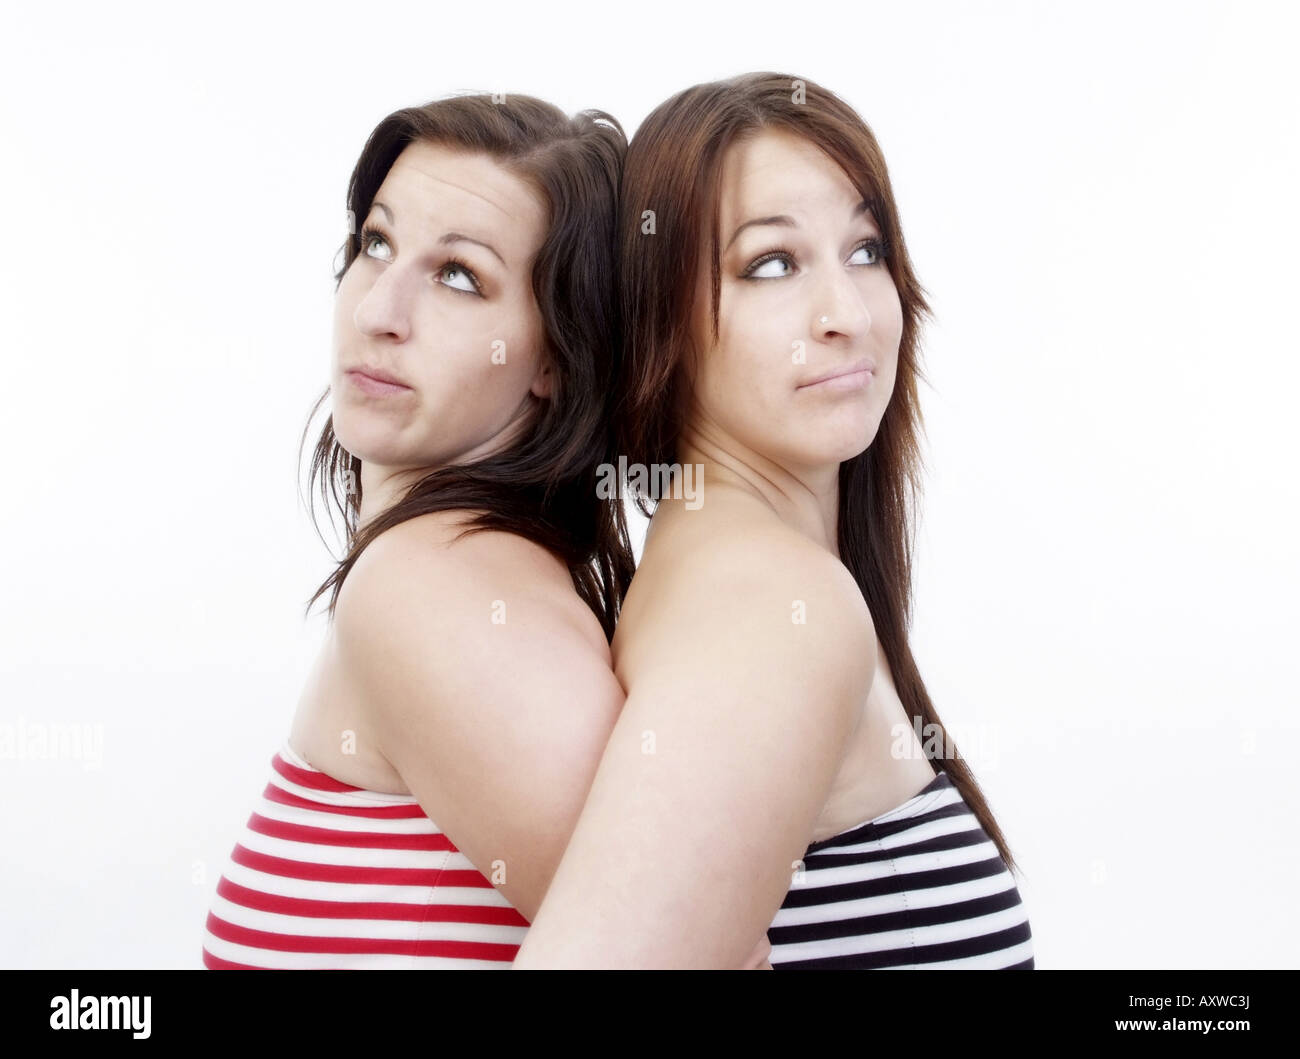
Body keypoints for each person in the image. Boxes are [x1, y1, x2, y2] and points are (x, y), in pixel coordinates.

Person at [512, 72, 1035, 969]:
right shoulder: (772, 605)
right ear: (658, 317)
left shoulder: (742, 573)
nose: (846, 315)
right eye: (773, 264)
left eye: (865, 250)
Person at [201, 92, 639, 968]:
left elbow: (699, 951)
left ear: (554, 355)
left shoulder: (429, 588)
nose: (380, 310)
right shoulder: (455, 576)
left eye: (458, 275)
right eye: (376, 244)